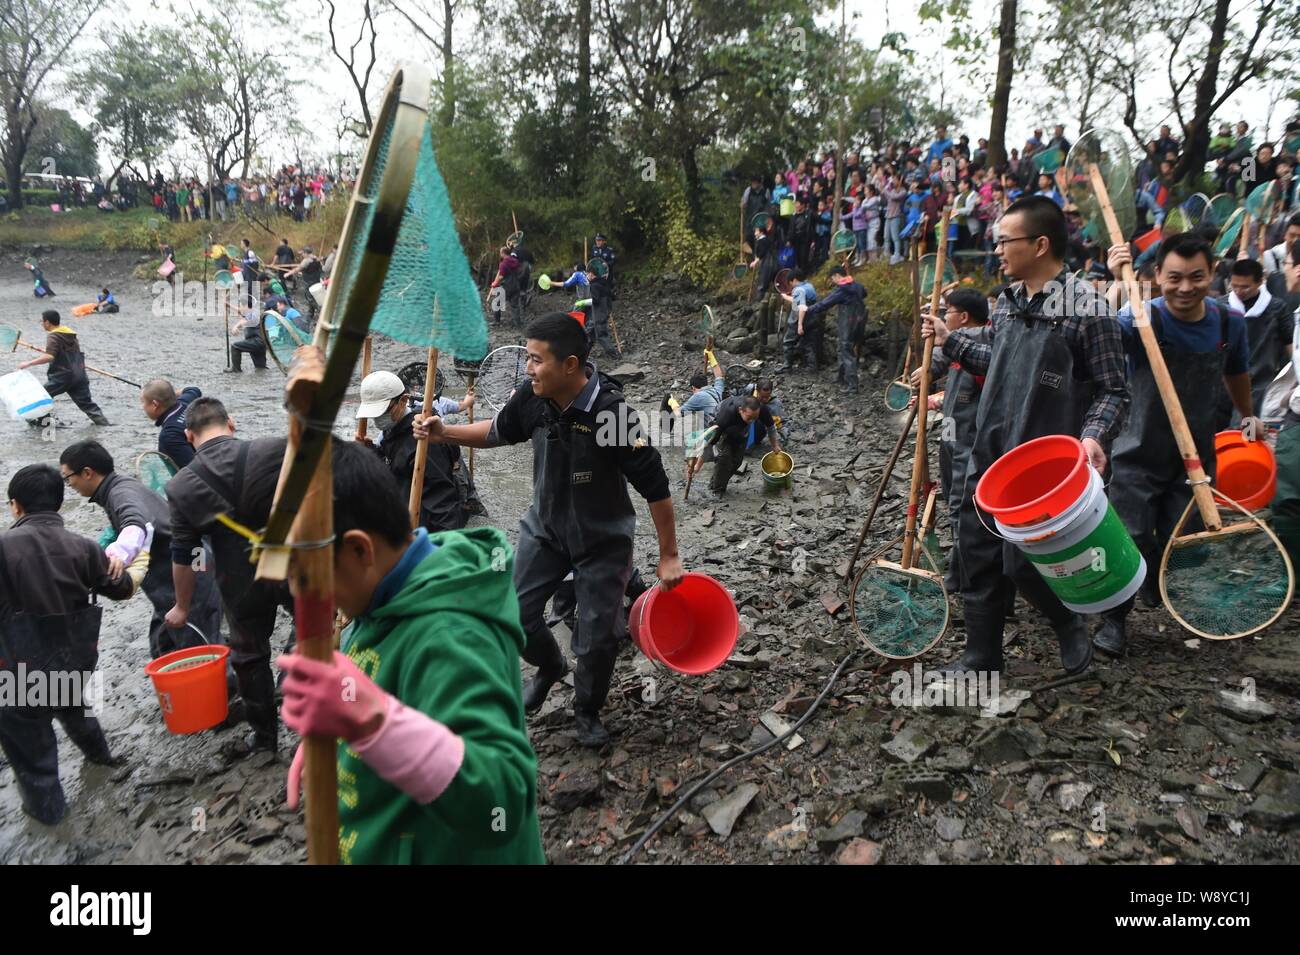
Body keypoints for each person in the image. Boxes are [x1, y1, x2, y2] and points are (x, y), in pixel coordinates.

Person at [415, 313, 685, 746]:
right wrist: (445, 432)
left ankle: (586, 709)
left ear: (570, 365)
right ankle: (550, 666)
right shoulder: (534, 398)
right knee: (514, 616)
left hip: (603, 540)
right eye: (528, 358)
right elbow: (498, 432)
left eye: (537, 360)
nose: (528, 368)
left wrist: (668, 555)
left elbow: (656, 487)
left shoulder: (612, 416)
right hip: (545, 528)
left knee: (599, 637)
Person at [274, 441, 544, 864]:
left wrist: (371, 721)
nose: (297, 592)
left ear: (361, 550)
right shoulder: (377, 597)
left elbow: (504, 804)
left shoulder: (452, 633)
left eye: (304, 573)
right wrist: (340, 738)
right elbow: (386, 695)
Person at [923, 195, 1129, 676]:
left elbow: (1115, 390)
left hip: (1048, 467)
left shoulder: (1088, 309)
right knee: (976, 552)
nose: (996, 250)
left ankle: (1066, 622)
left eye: (1004, 241)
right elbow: (995, 362)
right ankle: (981, 658)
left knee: (1025, 561)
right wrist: (949, 339)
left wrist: (1094, 437)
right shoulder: (1007, 304)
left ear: (1039, 244)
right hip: (990, 454)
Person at [1095, 235, 1260, 657]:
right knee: (1129, 534)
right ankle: (1115, 619)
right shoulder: (1140, 319)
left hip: (1196, 456)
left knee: (1181, 536)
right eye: (1174, 278)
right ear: (1156, 277)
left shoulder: (1228, 323)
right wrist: (1116, 283)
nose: (1185, 288)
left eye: (1196, 277)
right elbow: (1102, 344)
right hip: (1137, 450)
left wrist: (1247, 412)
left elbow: (1237, 371)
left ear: (1212, 274)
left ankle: (1159, 579)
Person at [0, 464, 136, 824]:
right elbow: (120, 590)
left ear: (15, 506)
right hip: (70, 662)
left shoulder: (3, 548)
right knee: (77, 712)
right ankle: (104, 763)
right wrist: (125, 564)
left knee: (35, 760)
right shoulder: (85, 547)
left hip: (17, 674)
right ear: (59, 504)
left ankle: (53, 823)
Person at [164, 398, 293, 753]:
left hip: (239, 582)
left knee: (249, 658)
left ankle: (266, 742)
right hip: (291, 562)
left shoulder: (180, 486)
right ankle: (300, 687)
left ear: (189, 436)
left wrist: (181, 606)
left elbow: (187, 554)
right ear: (231, 423)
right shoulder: (273, 449)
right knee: (314, 625)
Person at [59, 441, 223, 657]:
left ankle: (228, 688)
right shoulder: (121, 485)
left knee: (199, 656)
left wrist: (119, 554)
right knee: (162, 648)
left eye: (68, 477)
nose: (68, 483)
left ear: (87, 472)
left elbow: (136, 524)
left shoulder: (119, 494)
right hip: (190, 570)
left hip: (189, 582)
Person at [915, 288, 990, 591]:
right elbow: (940, 358)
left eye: (948, 313)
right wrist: (928, 369)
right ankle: (960, 569)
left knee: (963, 504)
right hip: (950, 435)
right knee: (950, 497)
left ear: (963, 317)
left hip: (971, 440)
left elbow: (960, 350)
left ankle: (966, 574)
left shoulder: (983, 341)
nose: (944, 318)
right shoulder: (954, 343)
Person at [355, 370, 467, 533]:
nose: (378, 419)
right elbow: (394, 468)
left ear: (403, 401)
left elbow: (443, 501)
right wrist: (372, 452)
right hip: (401, 518)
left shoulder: (423, 439)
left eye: (384, 411)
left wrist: (445, 546)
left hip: (423, 529)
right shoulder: (392, 430)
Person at [1221, 257, 1294, 418]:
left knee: (1249, 434)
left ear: (1260, 281)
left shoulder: (1276, 308)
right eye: (1235, 286)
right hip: (1225, 387)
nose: (1239, 291)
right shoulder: (1221, 307)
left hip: (1260, 387)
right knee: (1223, 437)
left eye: (1245, 287)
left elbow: (1290, 346)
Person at [16, 310, 109, 426]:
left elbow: (49, 356)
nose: (42, 324)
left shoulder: (53, 336)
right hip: (79, 374)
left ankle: (45, 424)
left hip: (62, 377)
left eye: (42, 321)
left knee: (40, 398)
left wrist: (29, 363)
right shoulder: (71, 335)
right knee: (87, 404)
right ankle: (104, 424)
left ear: (47, 322)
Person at [800, 265, 866, 394]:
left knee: (846, 351)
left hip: (848, 323)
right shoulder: (858, 286)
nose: (833, 281)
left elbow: (825, 303)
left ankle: (852, 385)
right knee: (845, 349)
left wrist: (808, 309)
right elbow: (865, 293)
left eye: (832, 278)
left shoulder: (842, 290)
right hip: (859, 322)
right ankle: (842, 377)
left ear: (837, 276)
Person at [702, 394, 780, 496]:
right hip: (723, 430)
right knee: (724, 458)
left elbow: (771, 427)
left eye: (754, 418)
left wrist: (775, 445)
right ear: (740, 410)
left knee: (737, 462)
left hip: (740, 430)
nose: (752, 421)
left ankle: (715, 482)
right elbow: (710, 440)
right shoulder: (726, 415)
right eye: (749, 418)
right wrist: (699, 463)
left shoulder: (761, 410)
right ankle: (717, 490)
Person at [140, 379, 202, 467]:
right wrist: (167, 396)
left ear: (155, 405)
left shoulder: (169, 436)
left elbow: (194, 470)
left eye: (143, 402)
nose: (142, 407)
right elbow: (194, 390)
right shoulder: (186, 402)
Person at [779, 268, 819, 372]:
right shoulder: (809, 286)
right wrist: (788, 297)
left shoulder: (798, 290)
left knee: (788, 341)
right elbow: (800, 300)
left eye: (790, 282)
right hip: (813, 318)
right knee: (809, 343)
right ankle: (812, 366)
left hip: (800, 318)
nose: (791, 285)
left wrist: (800, 325)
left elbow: (801, 307)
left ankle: (787, 366)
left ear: (795, 280)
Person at [227, 302, 268, 372]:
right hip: (258, 342)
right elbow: (239, 311)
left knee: (235, 346)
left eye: (241, 305)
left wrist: (235, 326)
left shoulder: (254, 314)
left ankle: (236, 369)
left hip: (257, 341)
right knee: (260, 367)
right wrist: (228, 305)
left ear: (246, 306)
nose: (240, 308)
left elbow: (246, 320)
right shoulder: (251, 311)